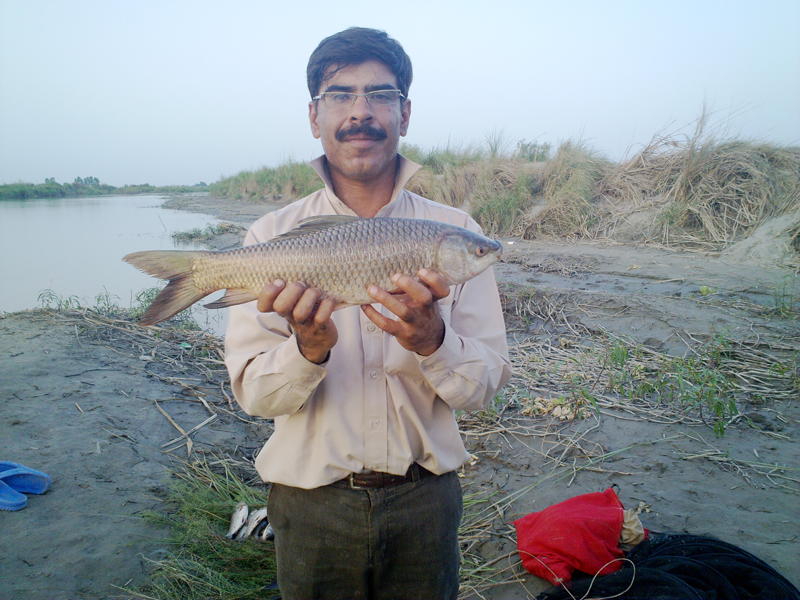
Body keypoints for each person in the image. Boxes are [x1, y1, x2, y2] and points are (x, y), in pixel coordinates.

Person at [224, 27, 511, 599]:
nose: (362, 112)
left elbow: (483, 388)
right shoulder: (271, 236)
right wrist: (308, 347)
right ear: (314, 115)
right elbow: (256, 398)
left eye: (380, 95)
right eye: (341, 95)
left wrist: (433, 339)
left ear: (404, 114)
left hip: (425, 499)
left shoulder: (456, 230)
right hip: (308, 503)